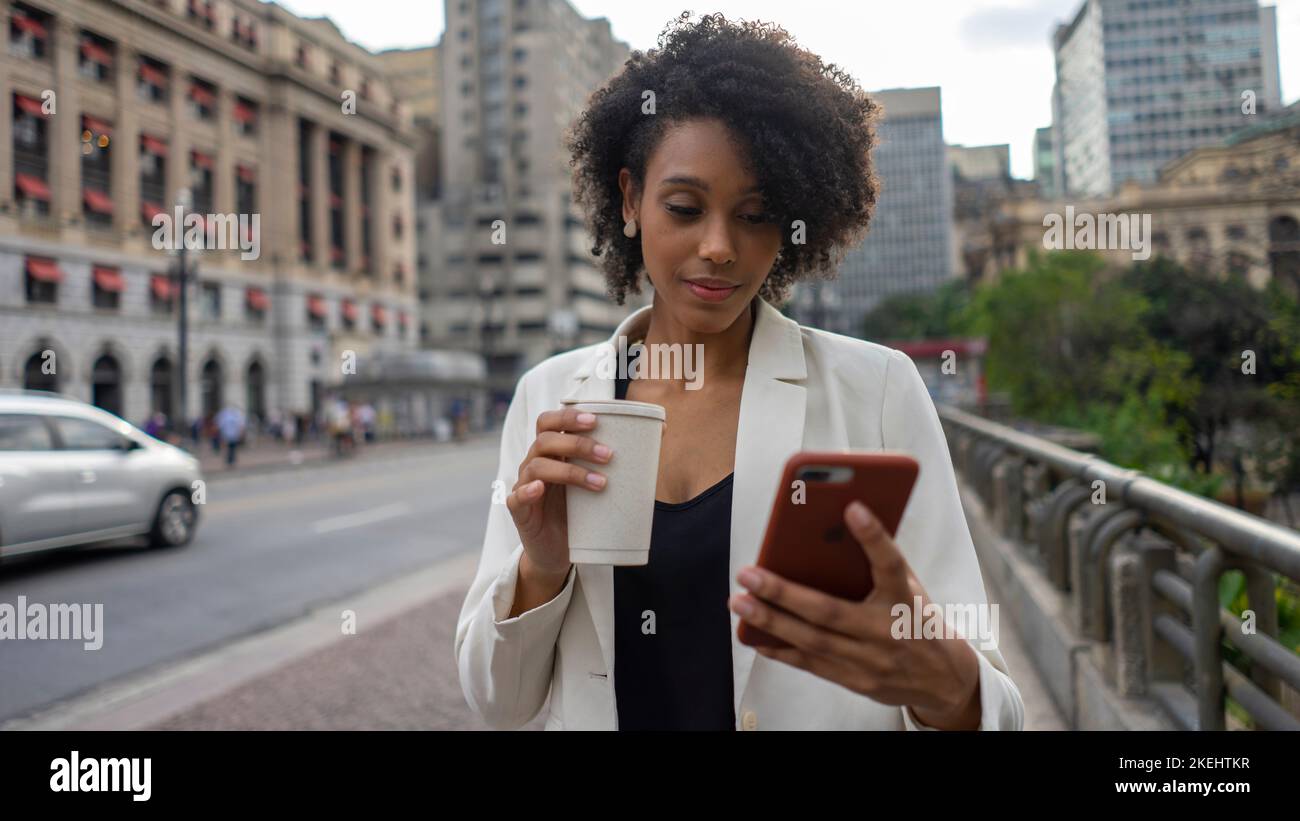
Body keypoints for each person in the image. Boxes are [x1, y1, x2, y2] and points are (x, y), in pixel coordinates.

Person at [455, 13, 1023, 732]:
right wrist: (540, 568)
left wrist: (947, 688)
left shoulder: (875, 390)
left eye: (755, 215)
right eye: (685, 208)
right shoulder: (549, 398)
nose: (720, 247)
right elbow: (496, 702)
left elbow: (994, 706)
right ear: (630, 199)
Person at [215, 403, 245, 468]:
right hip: (230, 435)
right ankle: (231, 461)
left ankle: (230, 461)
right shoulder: (233, 415)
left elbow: (220, 425)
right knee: (231, 449)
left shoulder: (226, 415)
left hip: (230, 435)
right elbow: (240, 425)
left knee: (231, 449)